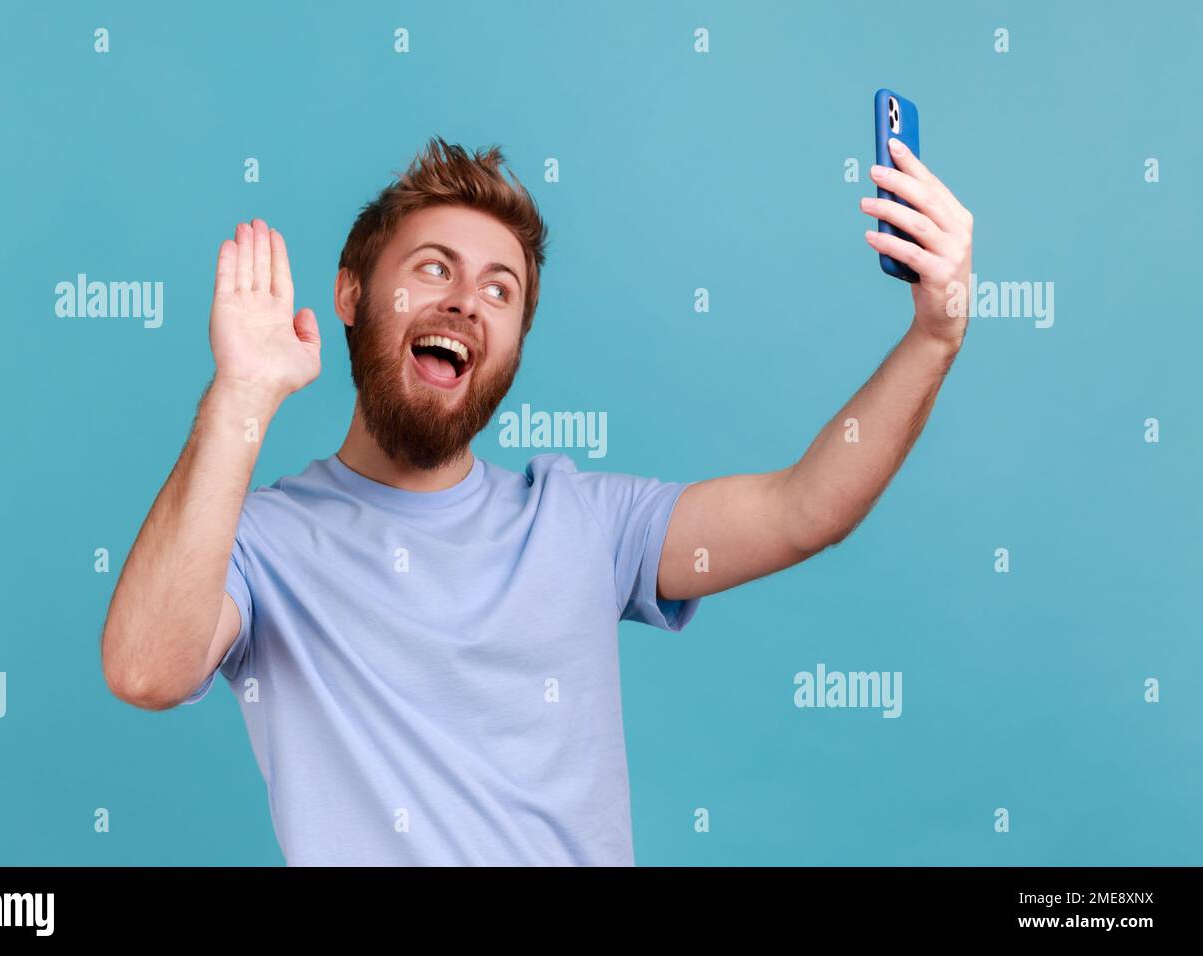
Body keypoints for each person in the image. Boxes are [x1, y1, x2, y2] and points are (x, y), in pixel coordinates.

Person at [100, 135, 973, 865]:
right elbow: (146, 669)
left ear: (515, 342)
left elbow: (803, 510)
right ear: (351, 296)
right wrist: (241, 397)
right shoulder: (258, 543)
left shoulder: (585, 523)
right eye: (433, 267)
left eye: (499, 289)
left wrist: (934, 336)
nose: (465, 302)